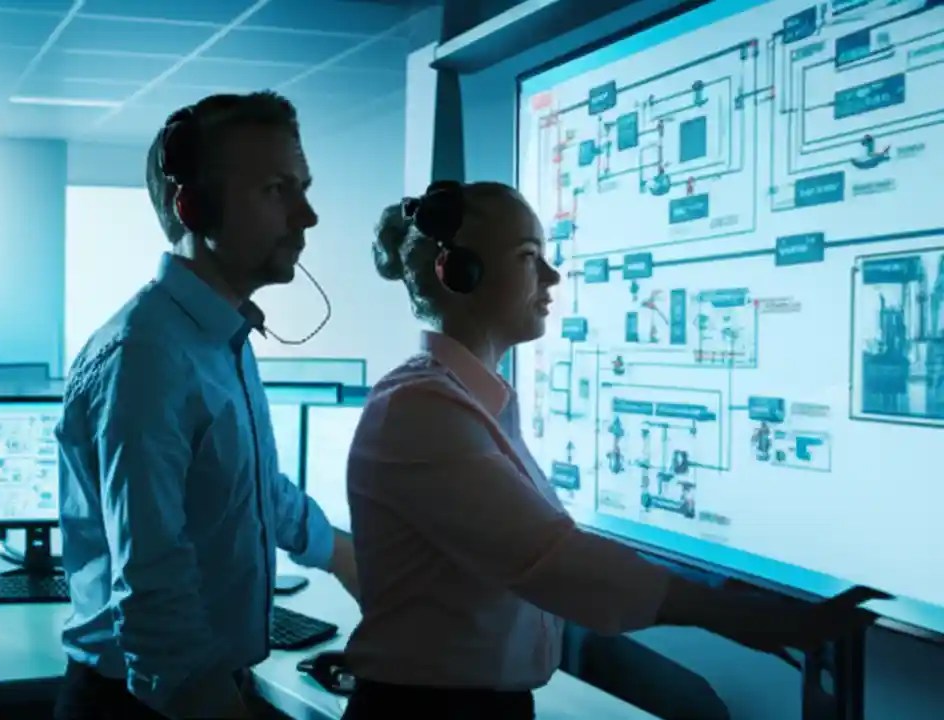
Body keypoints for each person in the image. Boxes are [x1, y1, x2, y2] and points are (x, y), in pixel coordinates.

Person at [341, 180, 882, 719]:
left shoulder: (475, 403)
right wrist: (740, 616)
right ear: (460, 274)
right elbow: (553, 561)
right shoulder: (419, 409)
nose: (552, 277)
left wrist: (729, 587)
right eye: (530, 257)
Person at [54, 92, 359, 720]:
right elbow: (154, 593)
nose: (308, 216)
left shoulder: (219, 336)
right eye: (278, 189)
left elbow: (250, 484)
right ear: (193, 206)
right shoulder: (145, 357)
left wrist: (344, 556)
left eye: (302, 187)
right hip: (147, 705)